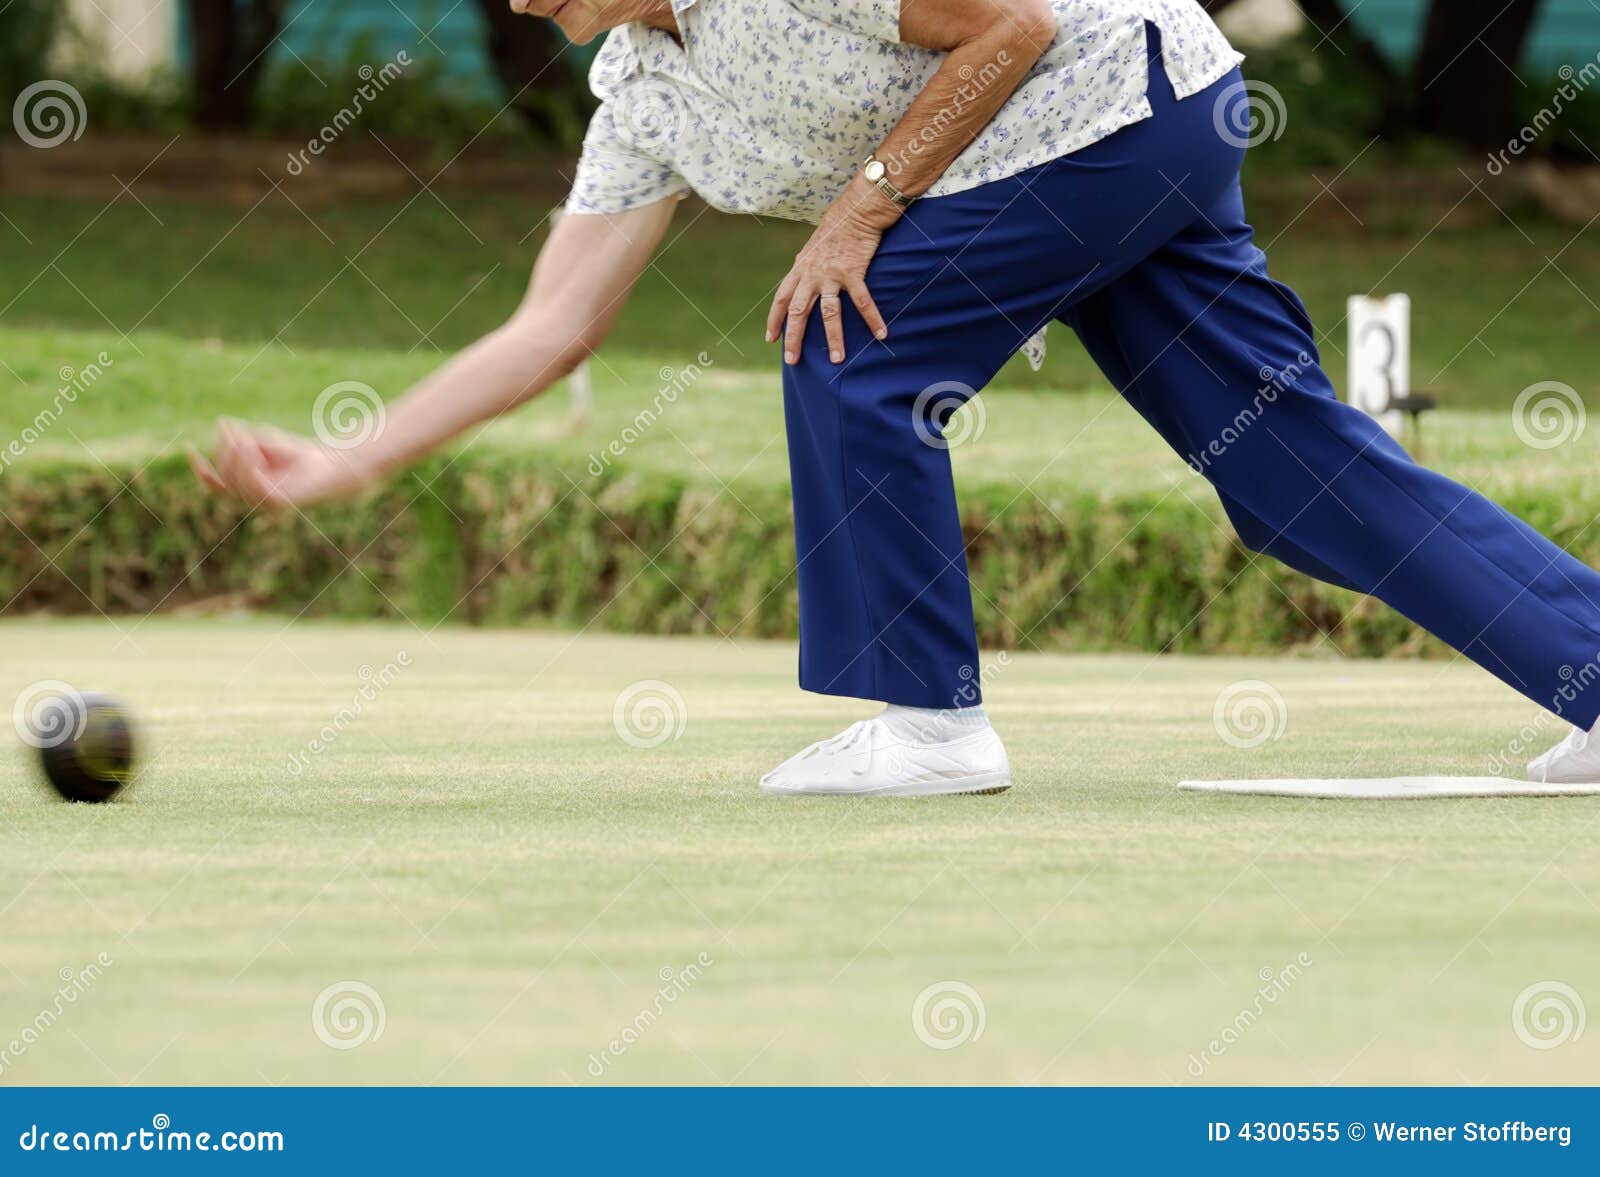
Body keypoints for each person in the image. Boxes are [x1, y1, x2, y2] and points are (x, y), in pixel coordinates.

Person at [191, 0, 1600, 796]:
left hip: (1127, 103)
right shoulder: (643, 92)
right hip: (1120, 145)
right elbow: (553, 324)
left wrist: (860, 209)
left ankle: (930, 726)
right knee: (1290, 470)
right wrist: (347, 462)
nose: (513, 2)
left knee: (845, 340)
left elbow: (1015, 27)